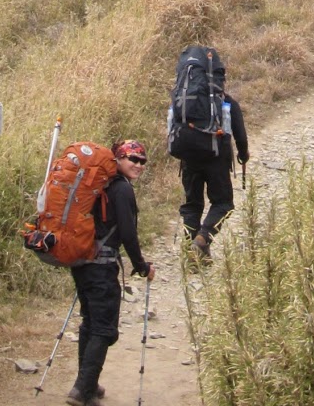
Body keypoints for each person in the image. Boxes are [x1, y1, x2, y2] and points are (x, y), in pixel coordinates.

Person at [66, 140, 155, 406]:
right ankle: (82, 390)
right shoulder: (122, 189)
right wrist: (141, 266)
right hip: (102, 268)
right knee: (104, 329)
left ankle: (89, 383)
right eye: (132, 159)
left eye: (142, 161)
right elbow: (128, 233)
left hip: (82, 263)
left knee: (90, 323)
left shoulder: (99, 183)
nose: (138, 165)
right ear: (118, 159)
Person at [177, 76, 249, 262]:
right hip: (217, 161)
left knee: (192, 205)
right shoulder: (227, 102)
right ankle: (202, 239)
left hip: (189, 159)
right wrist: (243, 155)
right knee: (224, 204)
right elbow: (240, 135)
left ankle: (192, 254)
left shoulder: (185, 101)